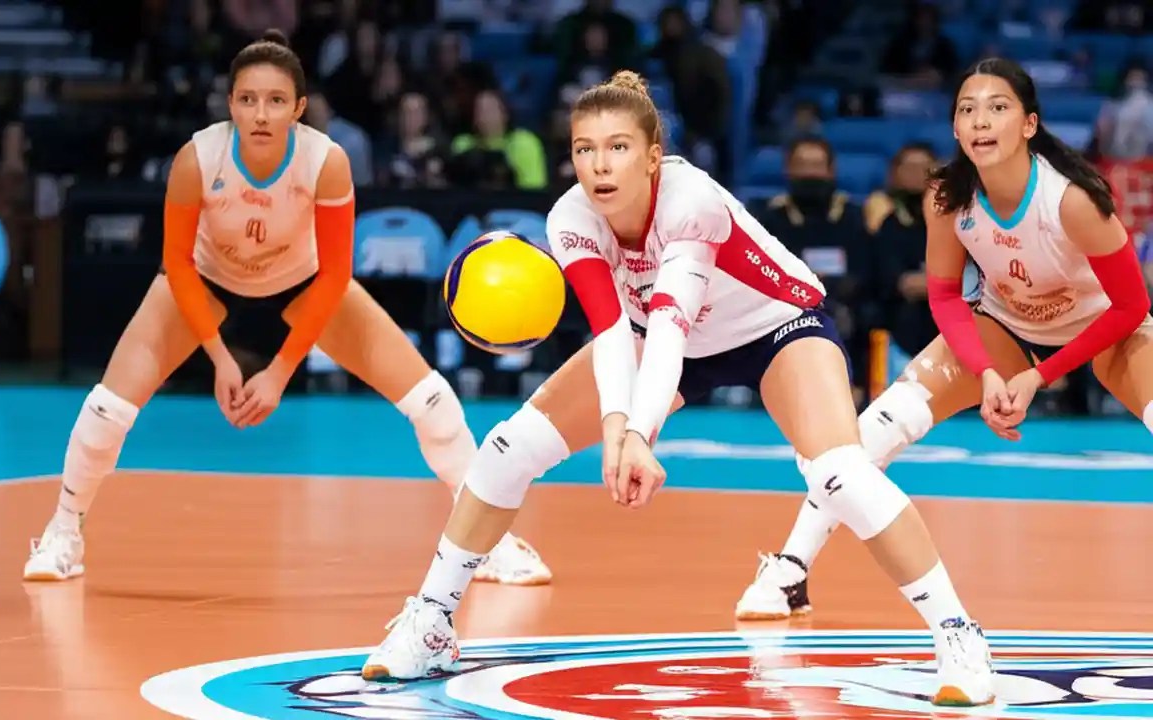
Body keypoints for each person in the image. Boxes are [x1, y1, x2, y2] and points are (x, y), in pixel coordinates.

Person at [360, 70, 996, 708]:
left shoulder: (690, 201)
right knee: (508, 446)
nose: (600, 165)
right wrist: (617, 430)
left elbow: (670, 324)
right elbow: (613, 330)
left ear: (653, 156)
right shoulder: (571, 217)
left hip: (776, 328)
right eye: (585, 149)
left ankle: (959, 637)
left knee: (840, 473)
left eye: (618, 147)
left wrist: (639, 434)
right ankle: (433, 622)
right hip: (658, 337)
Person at [22, 30, 549, 587]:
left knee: (434, 402)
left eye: (276, 101)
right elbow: (175, 264)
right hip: (207, 281)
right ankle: (64, 531)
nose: (261, 113)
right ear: (230, 104)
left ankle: (485, 545)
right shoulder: (197, 158)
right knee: (108, 409)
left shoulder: (326, 162)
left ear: (298, 108)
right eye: (247, 99)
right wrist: (220, 359)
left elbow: (336, 274)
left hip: (304, 284)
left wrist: (278, 371)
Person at [736, 57, 1152, 622]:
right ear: (955, 128)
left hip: (1103, 327)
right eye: (967, 109)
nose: (981, 120)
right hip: (1006, 323)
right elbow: (947, 297)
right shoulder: (947, 196)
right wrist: (985, 371)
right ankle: (789, 571)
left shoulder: (1074, 199)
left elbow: (1132, 306)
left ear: (1029, 124)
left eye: (998, 107)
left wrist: (1039, 377)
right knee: (873, 430)